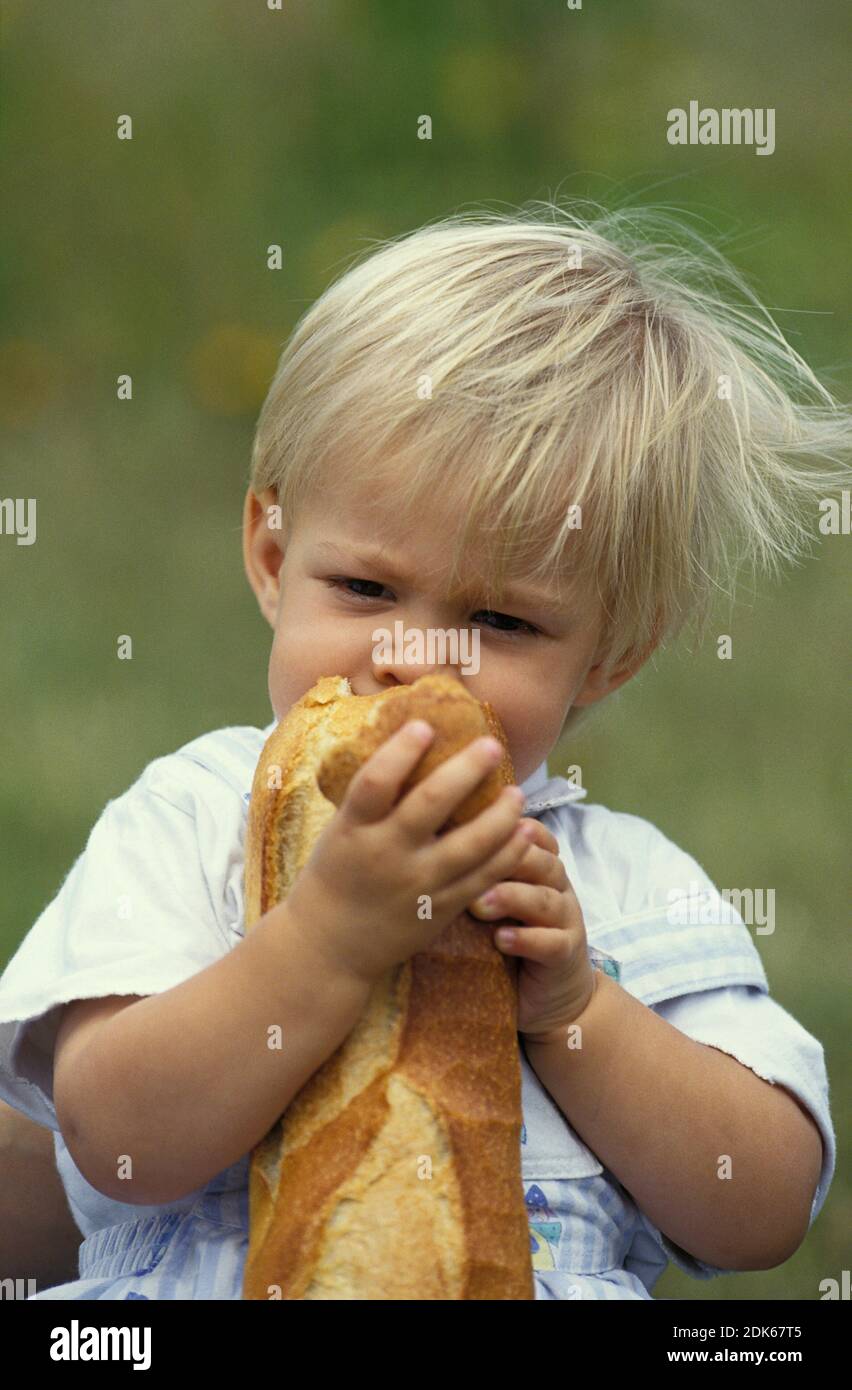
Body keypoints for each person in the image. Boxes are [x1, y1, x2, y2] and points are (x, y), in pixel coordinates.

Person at [0, 201, 847, 1300]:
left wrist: (579, 1012)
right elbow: (116, 1141)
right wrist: (326, 941)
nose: (417, 656)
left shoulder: (622, 887)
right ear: (271, 553)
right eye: (364, 589)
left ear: (608, 661)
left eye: (503, 623)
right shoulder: (195, 819)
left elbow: (761, 1209)